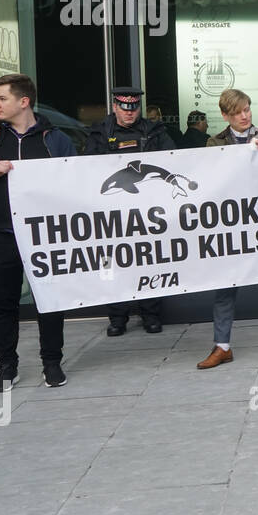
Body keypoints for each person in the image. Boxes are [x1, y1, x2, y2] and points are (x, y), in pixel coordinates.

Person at [0, 74, 76, 390]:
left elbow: (76, 181)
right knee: (2, 304)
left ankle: (52, 363)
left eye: (1, 99)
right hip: (0, 234)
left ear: (23, 101)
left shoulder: (56, 138)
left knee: (50, 301)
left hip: (44, 236)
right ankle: (7, 366)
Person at [197, 89, 258, 368]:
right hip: (230, 227)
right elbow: (211, 183)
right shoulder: (213, 144)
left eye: (247, 109)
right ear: (225, 116)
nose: (244, 116)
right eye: (237, 112)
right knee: (225, 288)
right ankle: (222, 346)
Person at [84, 85, 177, 335]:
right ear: (115, 107)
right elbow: (86, 168)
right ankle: (117, 317)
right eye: (124, 108)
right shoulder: (99, 133)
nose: (129, 113)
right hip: (112, 212)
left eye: (134, 108)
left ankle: (150, 314)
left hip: (148, 210)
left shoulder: (154, 131)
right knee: (114, 263)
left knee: (149, 259)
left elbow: (174, 158)